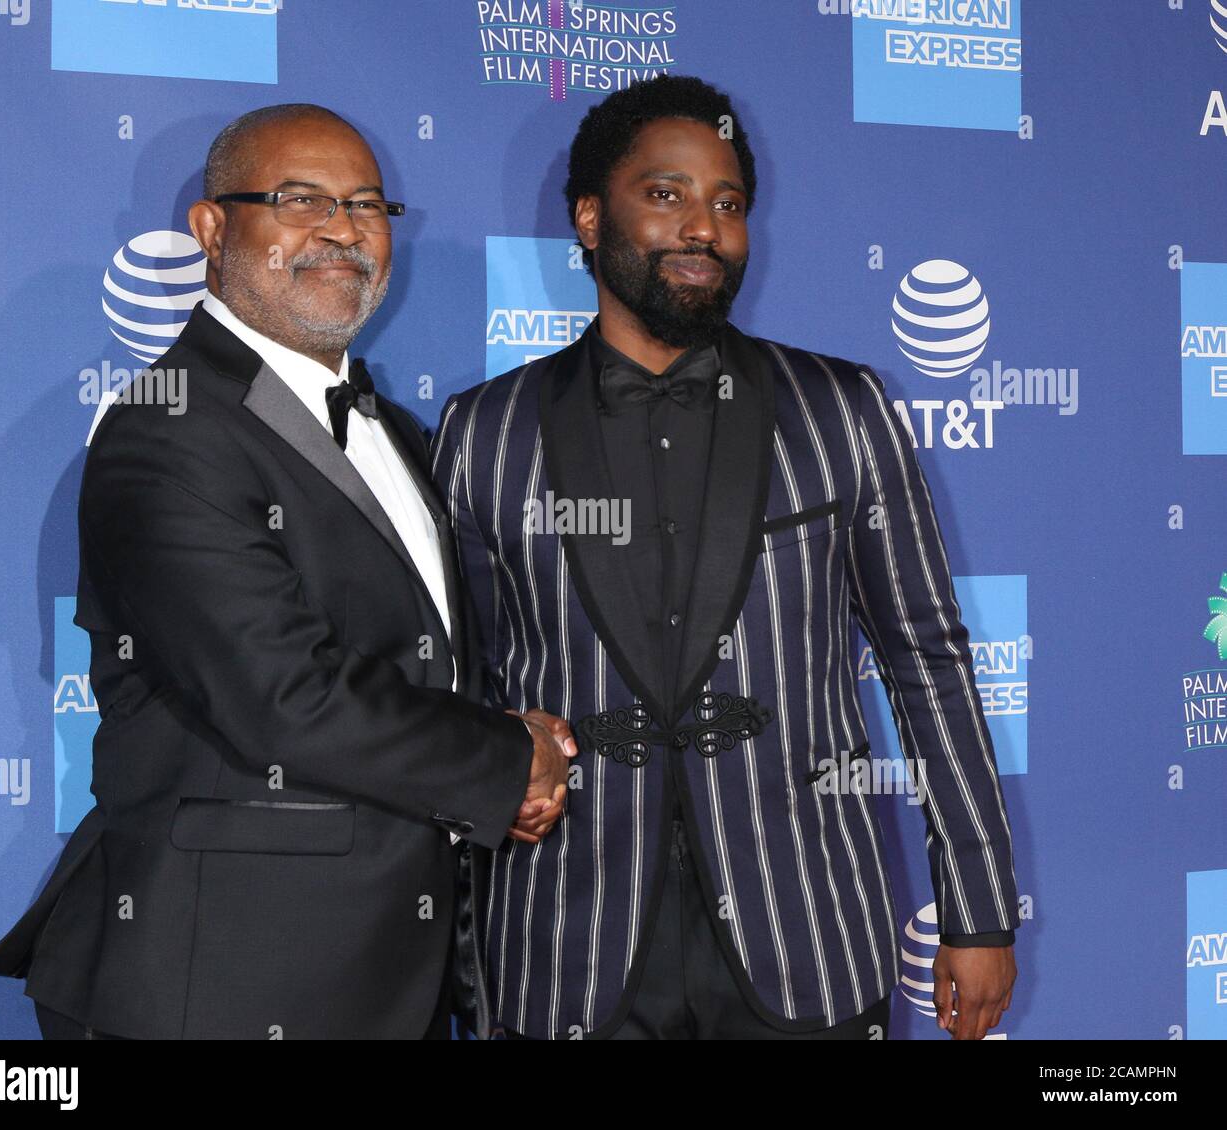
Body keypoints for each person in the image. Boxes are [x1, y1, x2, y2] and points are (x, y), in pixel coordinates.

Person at [432, 75, 1019, 1041]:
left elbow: (927, 658)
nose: (703, 226)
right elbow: (465, 687)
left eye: (729, 203)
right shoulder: (483, 434)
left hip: (807, 938)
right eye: (665, 195)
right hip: (568, 948)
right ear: (589, 217)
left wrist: (981, 908)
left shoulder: (841, 411)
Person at [0, 104, 572, 1040]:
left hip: (385, 974)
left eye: (367, 204)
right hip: (217, 977)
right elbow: (278, 695)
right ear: (212, 229)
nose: (341, 228)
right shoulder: (167, 430)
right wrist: (504, 760)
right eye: (300, 200)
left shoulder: (401, 436)